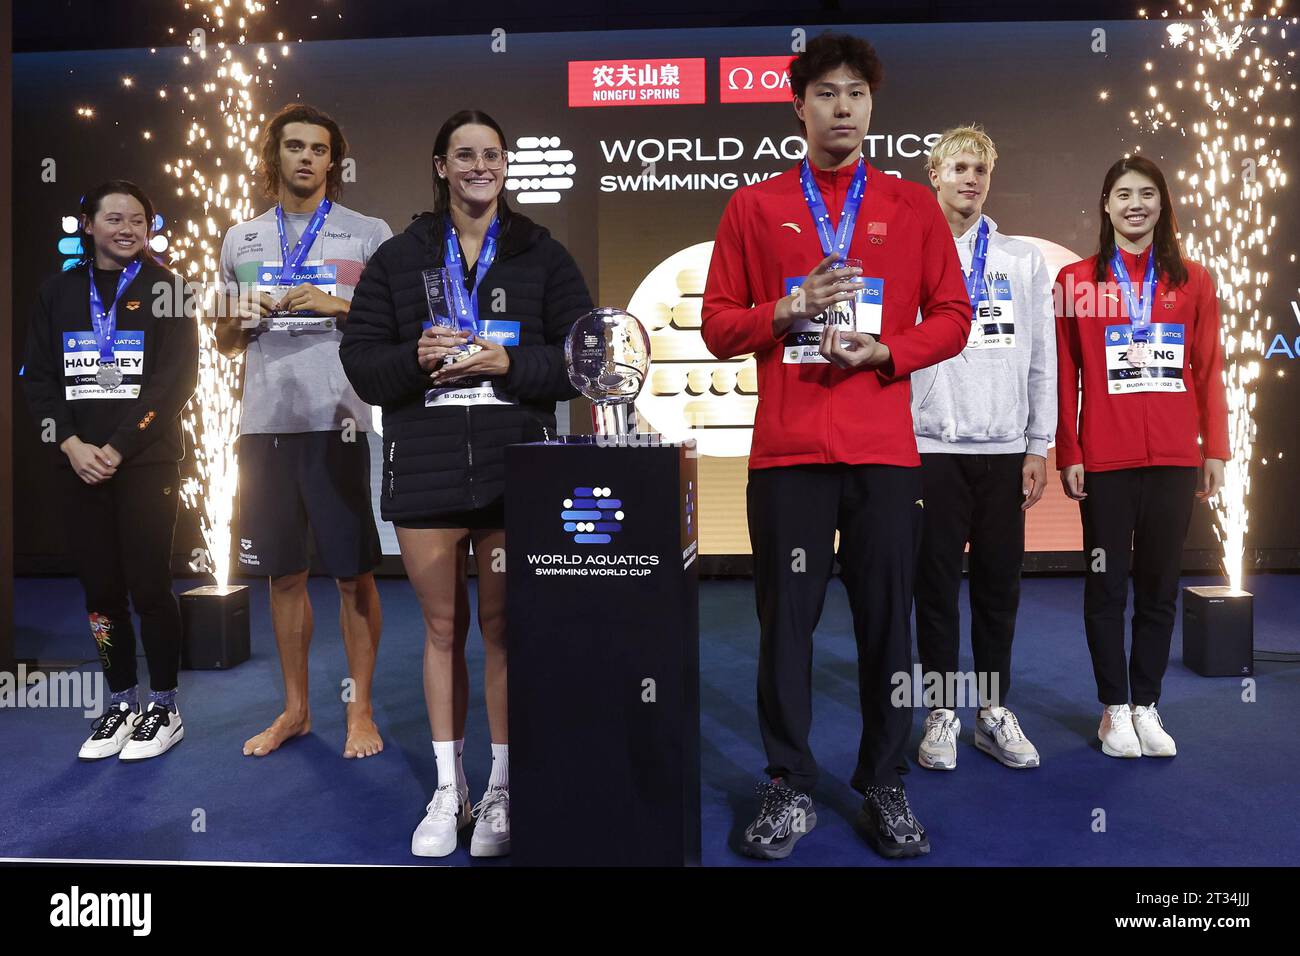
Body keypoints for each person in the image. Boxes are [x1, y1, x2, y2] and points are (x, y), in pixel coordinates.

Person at [701, 33, 970, 860]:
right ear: (799, 104)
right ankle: (787, 784)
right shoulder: (754, 206)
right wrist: (788, 307)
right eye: (826, 92)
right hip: (788, 454)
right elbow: (717, 327)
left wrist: (889, 352)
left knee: (892, 624)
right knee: (787, 627)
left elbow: (953, 316)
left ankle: (885, 783)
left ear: (872, 106)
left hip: (885, 453)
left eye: (856, 92)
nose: (843, 106)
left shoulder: (910, 205)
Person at [341, 109, 592, 858]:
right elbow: (362, 363)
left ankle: (503, 787)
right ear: (441, 166)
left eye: (491, 154)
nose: (479, 165)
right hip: (426, 466)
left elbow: (582, 357)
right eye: (464, 155)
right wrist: (416, 357)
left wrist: (509, 365)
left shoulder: (541, 253)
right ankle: (449, 788)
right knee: (443, 630)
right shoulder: (398, 257)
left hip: (519, 467)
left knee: (504, 630)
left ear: (505, 165)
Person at [216, 103, 392, 760]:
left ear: (333, 161)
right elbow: (226, 340)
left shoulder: (366, 232)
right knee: (283, 575)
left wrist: (338, 306)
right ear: (275, 156)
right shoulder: (242, 237)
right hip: (263, 427)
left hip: (336, 424)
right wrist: (239, 318)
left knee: (352, 575)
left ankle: (361, 713)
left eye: (319, 148)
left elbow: (392, 328)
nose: (306, 158)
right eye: (294, 146)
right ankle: (295, 710)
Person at [1055, 156, 1229, 758]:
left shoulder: (1194, 281)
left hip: (1177, 458)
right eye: (1123, 194)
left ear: (1163, 205)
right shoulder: (1077, 282)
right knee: (1106, 585)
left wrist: (1217, 448)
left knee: (1159, 584)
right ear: (1106, 204)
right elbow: (1064, 374)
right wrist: (1067, 448)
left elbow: (1208, 371)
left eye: (1147, 194)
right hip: (1106, 456)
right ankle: (1113, 708)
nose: (1136, 204)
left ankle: (1146, 703)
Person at [22, 180, 198, 761]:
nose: (127, 229)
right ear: (88, 225)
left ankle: (165, 706)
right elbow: (40, 378)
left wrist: (119, 447)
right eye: (115, 218)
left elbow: (175, 383)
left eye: (139, 220)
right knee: (100, 593)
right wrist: (71, 444)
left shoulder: (170, 290)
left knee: (149, 585)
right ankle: (122, 701)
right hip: (79, 464)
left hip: (146, 461)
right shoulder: (56, 293)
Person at [911, 126, 1056, 771]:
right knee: (936, 585)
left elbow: (1042, 361)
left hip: (1004, 449)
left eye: (981, 170)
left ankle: (992, 709)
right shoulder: (910, 251)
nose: (971, 179)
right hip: (930, 446)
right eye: (959, 168)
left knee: (999, 586)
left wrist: (1039, 442)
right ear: (935, 175)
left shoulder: (1022, 260)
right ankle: (942, 708)